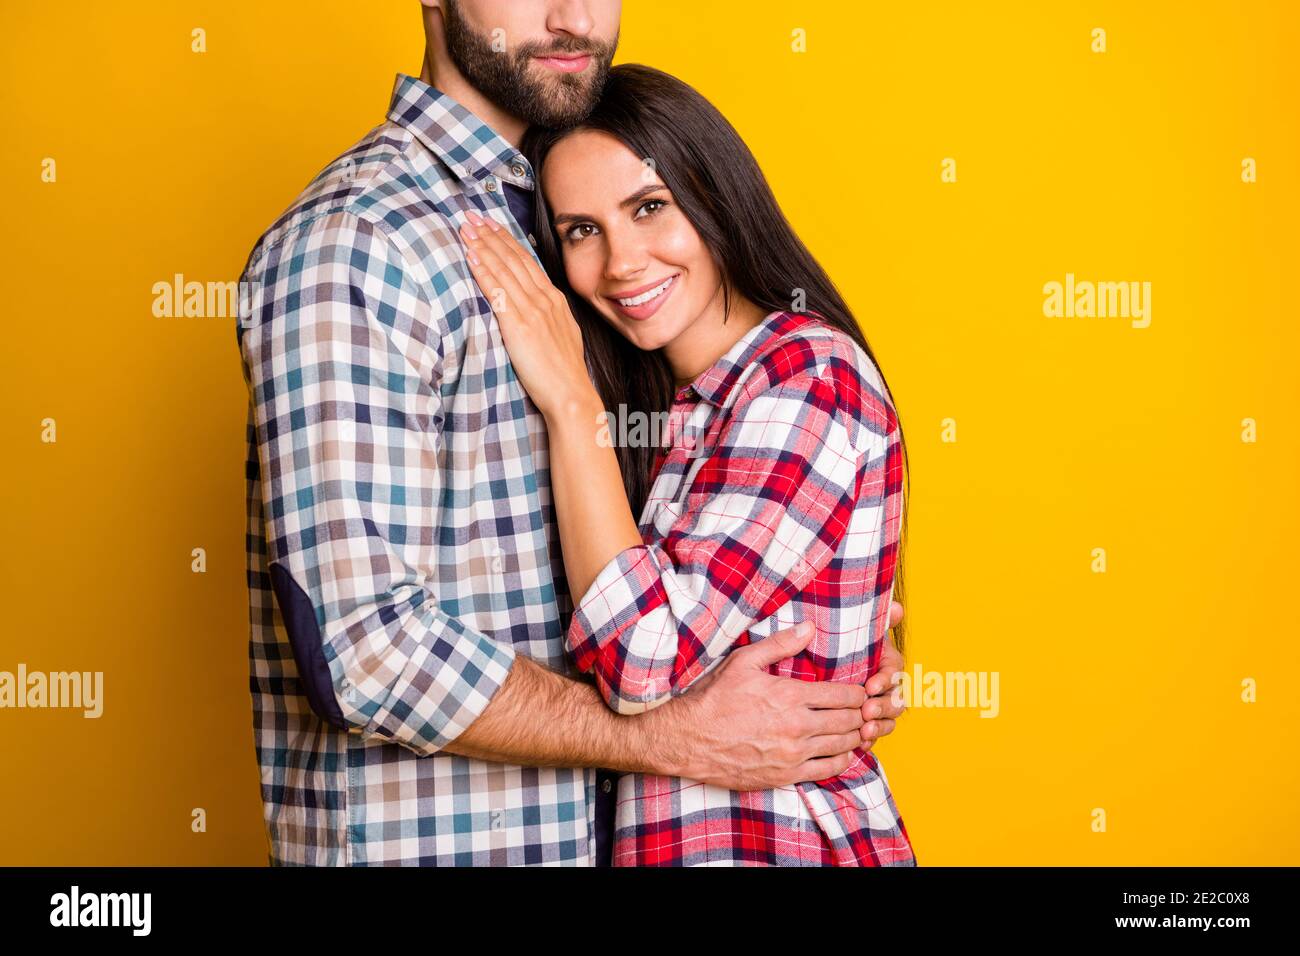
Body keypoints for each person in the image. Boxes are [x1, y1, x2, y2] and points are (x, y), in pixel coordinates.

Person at [236, 0, 908, 867]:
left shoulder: (556, 205)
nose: (573, 14)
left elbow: (659, 567)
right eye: (588, 232)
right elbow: (364, 652)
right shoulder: (363, 242)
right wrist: (664, 734)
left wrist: (832, 640)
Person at [456, 63, 915, 865]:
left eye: (649, 208)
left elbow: (643, 659)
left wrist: (572, 407)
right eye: (581, 231)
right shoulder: (675, 408)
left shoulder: (806, 379)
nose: (623, 261)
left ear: (715, 196)